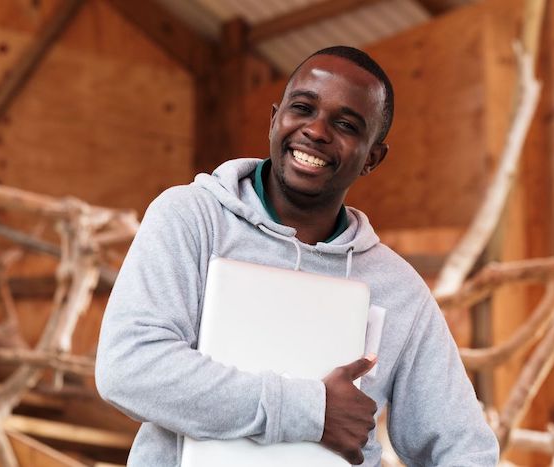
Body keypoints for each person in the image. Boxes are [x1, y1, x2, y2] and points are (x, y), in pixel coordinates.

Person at [95, 45, 499, 466]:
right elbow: (128, 367)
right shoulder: (191, 218)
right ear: (275, 119)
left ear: (373, 158)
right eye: (303, 108)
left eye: (345, 124)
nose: (317, 131)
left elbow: (464, 446)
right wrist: (313, 411)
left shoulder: (397, 288)